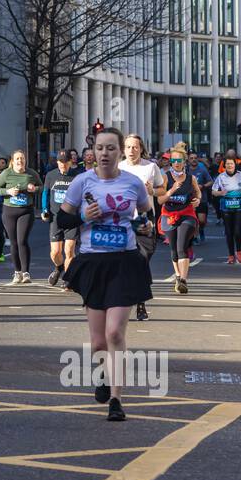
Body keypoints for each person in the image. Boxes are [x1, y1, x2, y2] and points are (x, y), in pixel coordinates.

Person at [56, 127, 155, 422]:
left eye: (111, 148)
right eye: (100, 148)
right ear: (93, 152)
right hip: (93, 264)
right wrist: (84, 217)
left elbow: (145, 215)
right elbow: (62, 217)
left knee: (115, 333)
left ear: (120, 151)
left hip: (123, 262)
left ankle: (116, 399)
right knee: (98, 342)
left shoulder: (133, 183)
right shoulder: (81, 182)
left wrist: (145, 227)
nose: (105, 153)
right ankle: (101, 375)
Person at [119, 134, 166, 320]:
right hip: (122, 220)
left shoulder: (151, 167)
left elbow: (162, 189)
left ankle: (139, 299)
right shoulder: (118, 168)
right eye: (128, 147)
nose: (132, 150)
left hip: (144, 220)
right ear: (123, 150)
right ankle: (137, 304)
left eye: (135, 147)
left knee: (142, 260)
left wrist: (151, 191)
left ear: (141, 149)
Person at [0, 149, 41, 284]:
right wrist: (8, 191)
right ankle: (17, 272)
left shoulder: (31, 173)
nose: (20, 161)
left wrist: (35, 189)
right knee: (13, 243)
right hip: (9, 211)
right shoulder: (6, 173)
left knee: (22, 241)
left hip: (26, 211)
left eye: (22, 158)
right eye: (18, 159)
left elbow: (42, 187)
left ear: (25, 160)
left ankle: (26, 273)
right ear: (13, 161)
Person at [159, 143, 201, 294]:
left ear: (184, 162)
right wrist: (171, 190)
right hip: (169, 215)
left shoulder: (191, 178)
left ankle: (183, 280)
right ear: (171, 162)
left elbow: (198, 193)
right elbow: (160, 201)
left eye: (179, 161)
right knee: (173, 251)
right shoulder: (165, 178)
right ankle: (178, 276)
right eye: (174, 161)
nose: (177, 163)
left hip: (187, 214)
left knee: (181, 246)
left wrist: (198, 200)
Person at [41, 150, 81, 290]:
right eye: (60, 162)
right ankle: (58, 268)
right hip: (56, 218)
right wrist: (44, 210)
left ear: (71, 162)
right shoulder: (51, 175)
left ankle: (68, 278)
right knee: (55, 253)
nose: (62, 165)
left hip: (72, 218)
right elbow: (45, 193)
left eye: (65, 162)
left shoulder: (77, 176)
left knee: (69, 250)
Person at [212, 156, 241, 264]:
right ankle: (231, 255)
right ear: (224, 166)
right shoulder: (221, 177)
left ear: (235, 164)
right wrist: (220, 193)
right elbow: (213, 191)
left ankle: (238, 251)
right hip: (226, 207)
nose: (229, 166)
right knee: (229, 232)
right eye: (227, 164)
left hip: (239, 206)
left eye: (231, 163)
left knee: (237, 231)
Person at [187, 151, 213, 244]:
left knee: (202, 221)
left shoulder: (202, 170)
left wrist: (203, 186)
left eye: (195, 158)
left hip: (202, 198)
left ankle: (201, 230)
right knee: (193, 220)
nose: (193, 160)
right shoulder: (185, 171)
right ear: (188, 160)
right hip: (189, 200)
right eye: (191, 158)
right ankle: (194, 236)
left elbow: (211, 181)